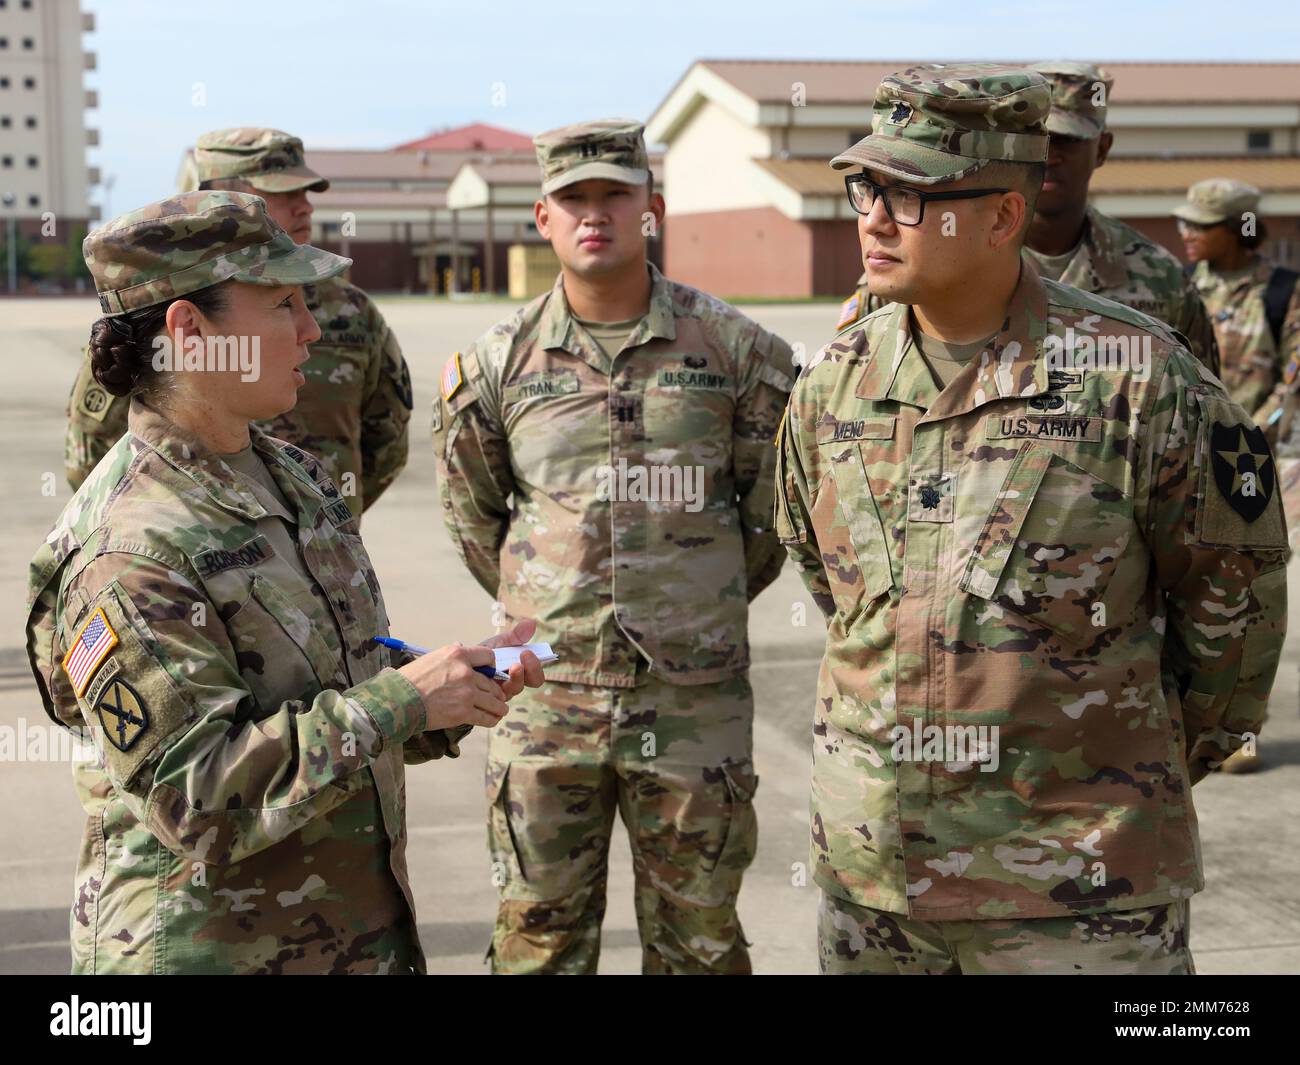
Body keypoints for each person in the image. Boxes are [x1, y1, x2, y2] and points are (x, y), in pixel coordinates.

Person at [776, 64, 1289, 974]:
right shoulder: (831, 384)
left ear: (1003, 216)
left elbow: (1232, 619)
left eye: (913, 193)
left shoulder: (1139, 380)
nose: (875, 216)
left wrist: (1124, 767)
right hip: (878, 887)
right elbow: (836, 588)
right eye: (867, 187)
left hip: (1081, 893)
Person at [26, 191, 543, 974]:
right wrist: (402, 700)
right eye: (284, 304)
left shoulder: (290, 478)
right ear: (190, 332)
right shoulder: (129, 546)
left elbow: (329, 678)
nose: (312, 328)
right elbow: (194, 795)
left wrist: (445, 688)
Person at [433, 119, 797, 974]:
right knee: (538, 938)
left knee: (699, 938)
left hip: (692, 700)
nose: (594, 214)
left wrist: (692, 602)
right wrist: (556, 602)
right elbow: (476, 517)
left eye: (614, 196)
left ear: (652, 211)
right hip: (545, 692)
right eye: (573, 199)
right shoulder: (496, 363)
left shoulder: (738, 352)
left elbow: (767, 516)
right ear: (543, 219)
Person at [64, 128, 412, 520]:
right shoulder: (152, 317)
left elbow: (388, 438)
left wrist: (317, 520)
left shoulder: (353, 312)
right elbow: (91, 453)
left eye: (308, 194)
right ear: (216, 197)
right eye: (282, 192)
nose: (305, 207)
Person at [1025, 62, 1219, 376]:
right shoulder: (963, 264)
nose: (1049, 153)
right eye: (1035, 137)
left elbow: (1205, 408)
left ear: (1102, 149)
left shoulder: (1161, 280)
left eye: (1068, 139)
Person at [1176, 178, 1300, 423]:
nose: (1187, 235)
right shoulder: (1181, 286)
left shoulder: (1284, 289)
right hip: (1190, 444)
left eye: (1200, 226)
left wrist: (1250, 433)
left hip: (1262, 445)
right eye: (1184, 225)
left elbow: (1293, 380)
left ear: (1238, 228)